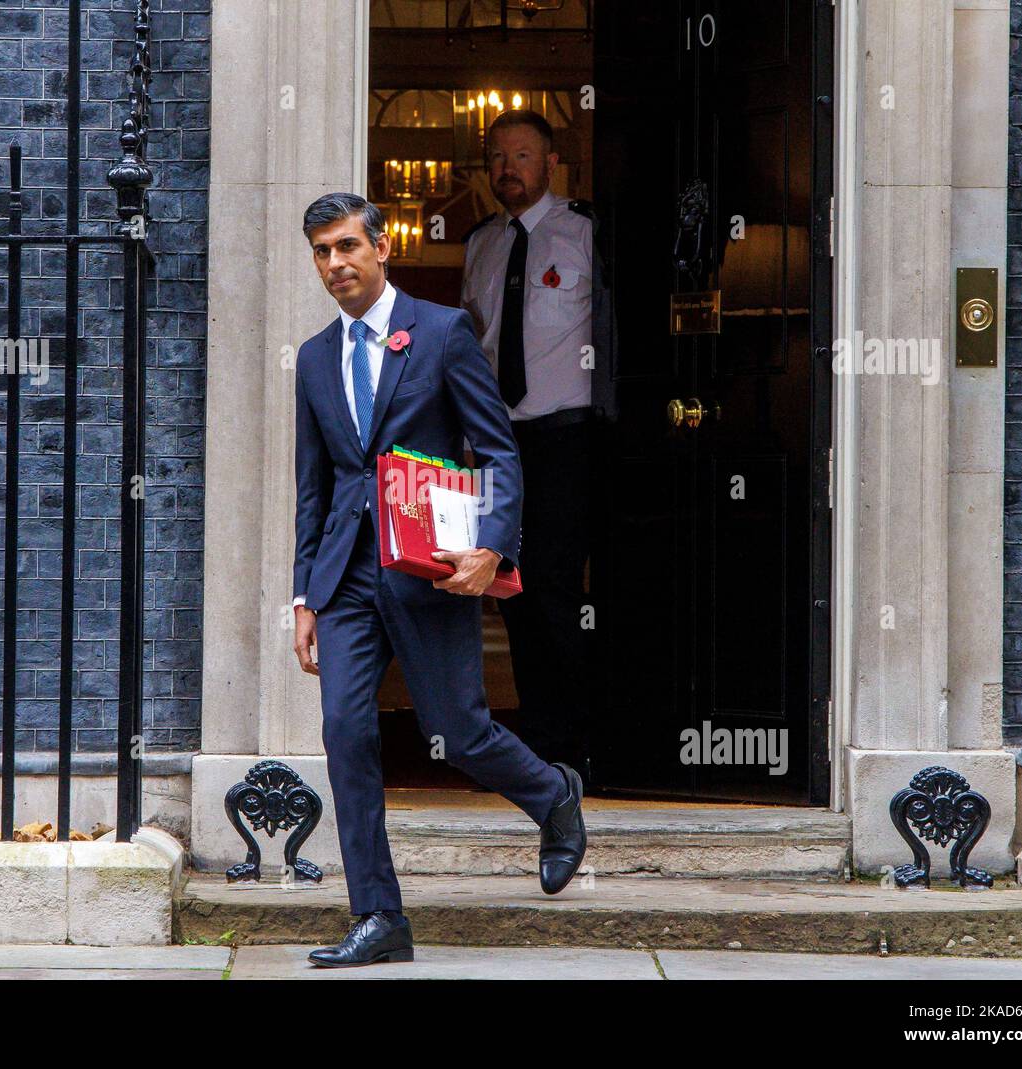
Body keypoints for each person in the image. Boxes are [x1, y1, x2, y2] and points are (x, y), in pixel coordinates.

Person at [291, 192, 587, 968]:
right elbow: (314, 487)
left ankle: (553, 794)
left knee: (459, 732)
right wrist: (304, 595)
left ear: (381, 247)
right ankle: (379, 915)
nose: (336, 264)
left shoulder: (443, 332)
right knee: (346, 734)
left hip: (428, 571)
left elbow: (499, 451)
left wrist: (493, 547)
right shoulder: (316, 358)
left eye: (348, 246)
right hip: (347, 580)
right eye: (322, 251)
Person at [461, 109, 600, 774]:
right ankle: (538, 737)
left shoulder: (586, 233)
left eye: (520, 156)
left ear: (549, 164)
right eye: (496, 157)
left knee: (555, 586)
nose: (506, 168)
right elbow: (472, 342)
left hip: (567, 439)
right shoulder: (480, 243)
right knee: (509, 586)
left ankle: (574, 738)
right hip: (500, 445)